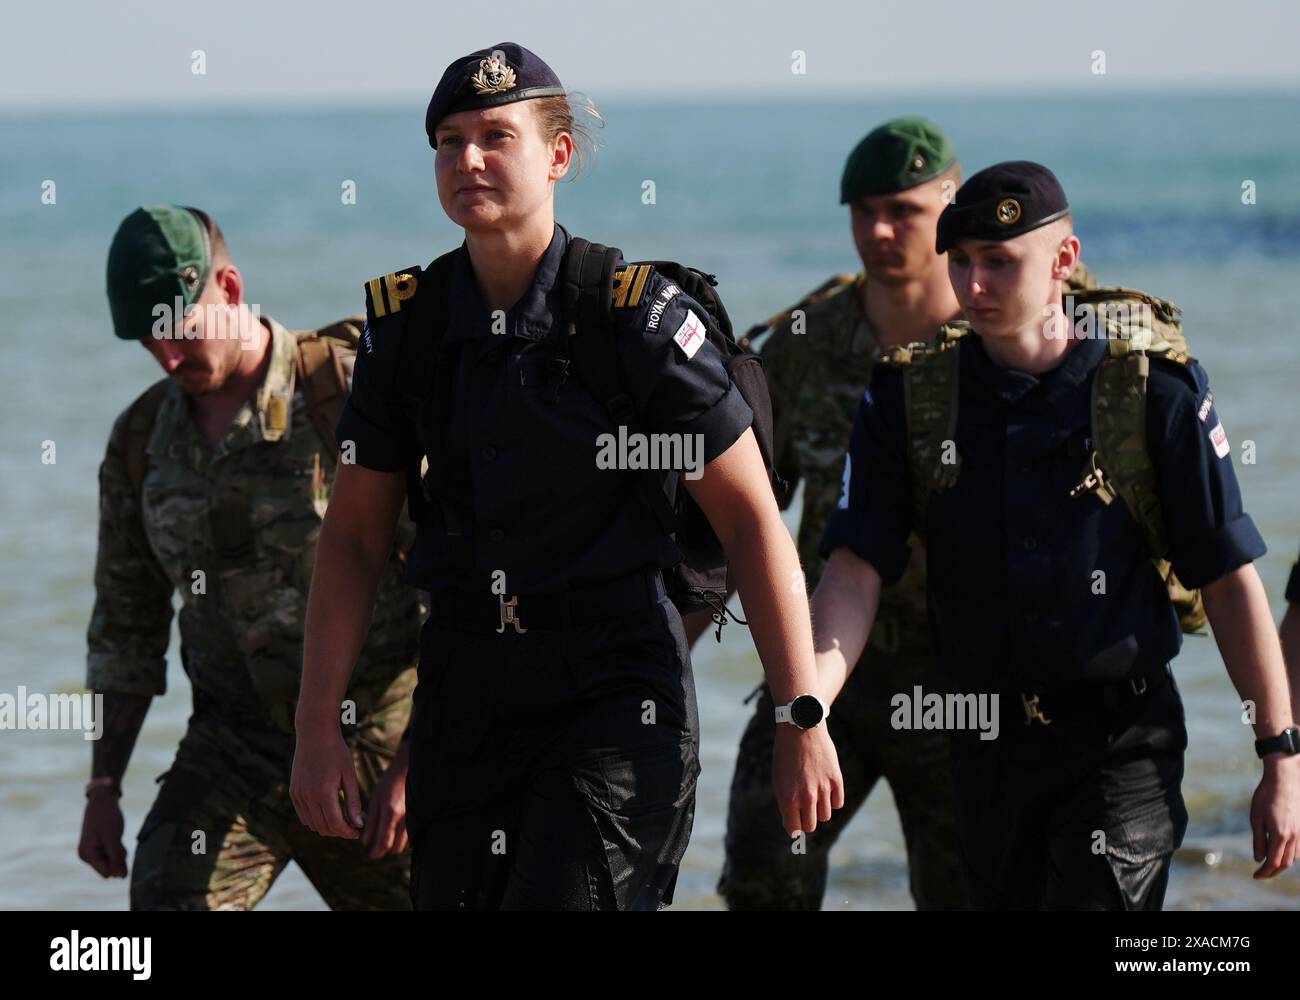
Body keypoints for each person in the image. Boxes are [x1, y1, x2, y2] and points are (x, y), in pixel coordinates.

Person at [289, 42, 843, 911]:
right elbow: (354, 539)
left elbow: (750, 520)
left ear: (558, 155)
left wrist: (798, 715)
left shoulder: (635, 320)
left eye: (495, 137)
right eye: (448, 142)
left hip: (615, 691)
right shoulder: (408, 330)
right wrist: (316, 728)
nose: (468, 160)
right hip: (466, 688)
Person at [808, 161, 1300, 909]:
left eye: (999, 262)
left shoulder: (1151, 391)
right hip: (981, 749)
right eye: (960, 261)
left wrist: (1280, 755)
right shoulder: (907, 398)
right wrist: (806, 709)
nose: (973, 285)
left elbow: (1228, 577)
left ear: (1064, 259)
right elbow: (855, 569)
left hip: (1121, 747)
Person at [80, 205, 422, 910]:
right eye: (146, 341)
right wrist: (103, 787)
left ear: (230, 288)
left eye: (178, 330)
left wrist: (420, 762)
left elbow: (469, 588)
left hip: (381, 749)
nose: (167, 359)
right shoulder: (141, 440)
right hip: (234, 751)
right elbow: (125, 625)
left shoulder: (348, 392)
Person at [709, 117, 969, 910]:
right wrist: (665, 648)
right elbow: (739, 514)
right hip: (824, 660)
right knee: (761, 872)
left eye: (903, 211)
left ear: (952, 205)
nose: (879, 232)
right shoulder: (805, 342)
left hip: (961, 679)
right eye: (863, 212)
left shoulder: (997, 342)